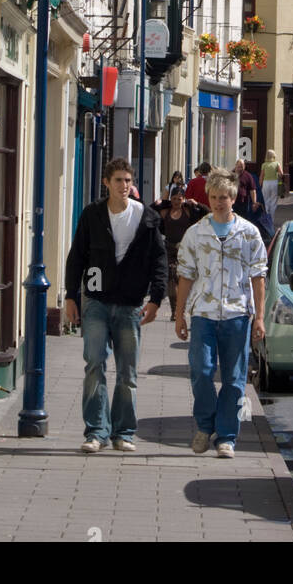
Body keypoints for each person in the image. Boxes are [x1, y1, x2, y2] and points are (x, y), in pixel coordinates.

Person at [65, 158, 167, 454]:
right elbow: (77, 257)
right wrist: (71, 296)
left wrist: (157, 299)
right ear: (106, 183)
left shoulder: (146, 218)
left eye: (128, 180)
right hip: (96, 301)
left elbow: (158, 261)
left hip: (130, 304)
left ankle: (124, 432)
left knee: (127, 373)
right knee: (94, 364)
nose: (124, 186)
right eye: (119, 180)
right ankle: (96, 431)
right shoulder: (92, 215)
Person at [175, 170, 267, 458]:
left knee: (234, 377)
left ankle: (226, 436)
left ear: (233, 197)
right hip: (203, 312)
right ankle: (205, 424)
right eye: (214, 197)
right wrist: (179, 315)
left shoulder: (249, 233)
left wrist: (260, 317)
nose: (218, 202)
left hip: (238, 313)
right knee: (201, 370)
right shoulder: (195, 233)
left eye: (224, 197)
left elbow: (258, 277)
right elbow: (185, 276)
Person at [157, 187, 207, 318]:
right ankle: (174, 311)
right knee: (171, 279)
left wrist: (197, 204)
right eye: (173, 199)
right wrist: (161, 202)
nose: (176, 202)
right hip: (169, 248)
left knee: (182, 280)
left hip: (185, 249)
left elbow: (207, 213)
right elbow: (150, 212)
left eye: (179, 199)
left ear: (183, 199)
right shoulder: (165, 211)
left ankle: (182, 307)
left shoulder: (188, 211)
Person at [259, 150, 283, 228]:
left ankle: (267, 219)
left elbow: (261, 176)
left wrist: (260, 185)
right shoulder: (276, 164)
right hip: (274, 183)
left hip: (266, 183)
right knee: (273, 201)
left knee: (266, 200)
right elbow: (281, 174)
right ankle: (272, 220)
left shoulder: (264, 165)